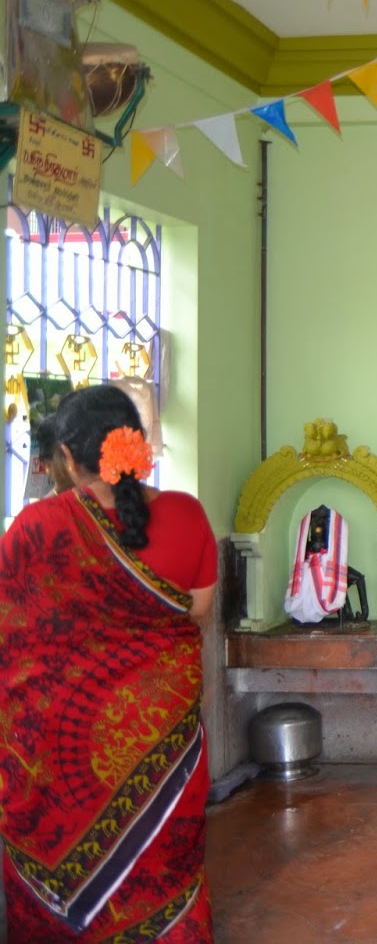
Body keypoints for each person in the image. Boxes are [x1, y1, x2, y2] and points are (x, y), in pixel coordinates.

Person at [0, 384, 217, 941]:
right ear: (137, 444)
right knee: (165, 878)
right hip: (163, 752)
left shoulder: (35, 528)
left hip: (60, 763)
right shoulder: (187, 515)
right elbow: (199, 614)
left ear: (68, 458)